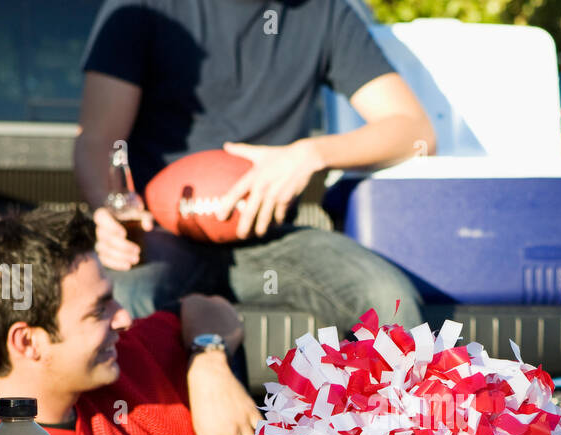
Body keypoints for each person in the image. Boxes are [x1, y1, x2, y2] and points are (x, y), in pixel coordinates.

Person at [72, 0, 432, 334]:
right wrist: (109, 209)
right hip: (162, 234)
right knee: (125, 301)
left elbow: (415, 131)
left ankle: (389, 405)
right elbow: (97, 139)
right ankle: (145, 406)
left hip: (270, 236)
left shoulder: (324, 11)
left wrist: (310, 154)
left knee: (387, 295)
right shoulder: (146, 8)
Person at [0, 207, 261, 435]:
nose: (123, 318)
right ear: (28, 342)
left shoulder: (130, 357)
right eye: (99, 309)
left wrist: (210, 359)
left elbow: (210, 308)